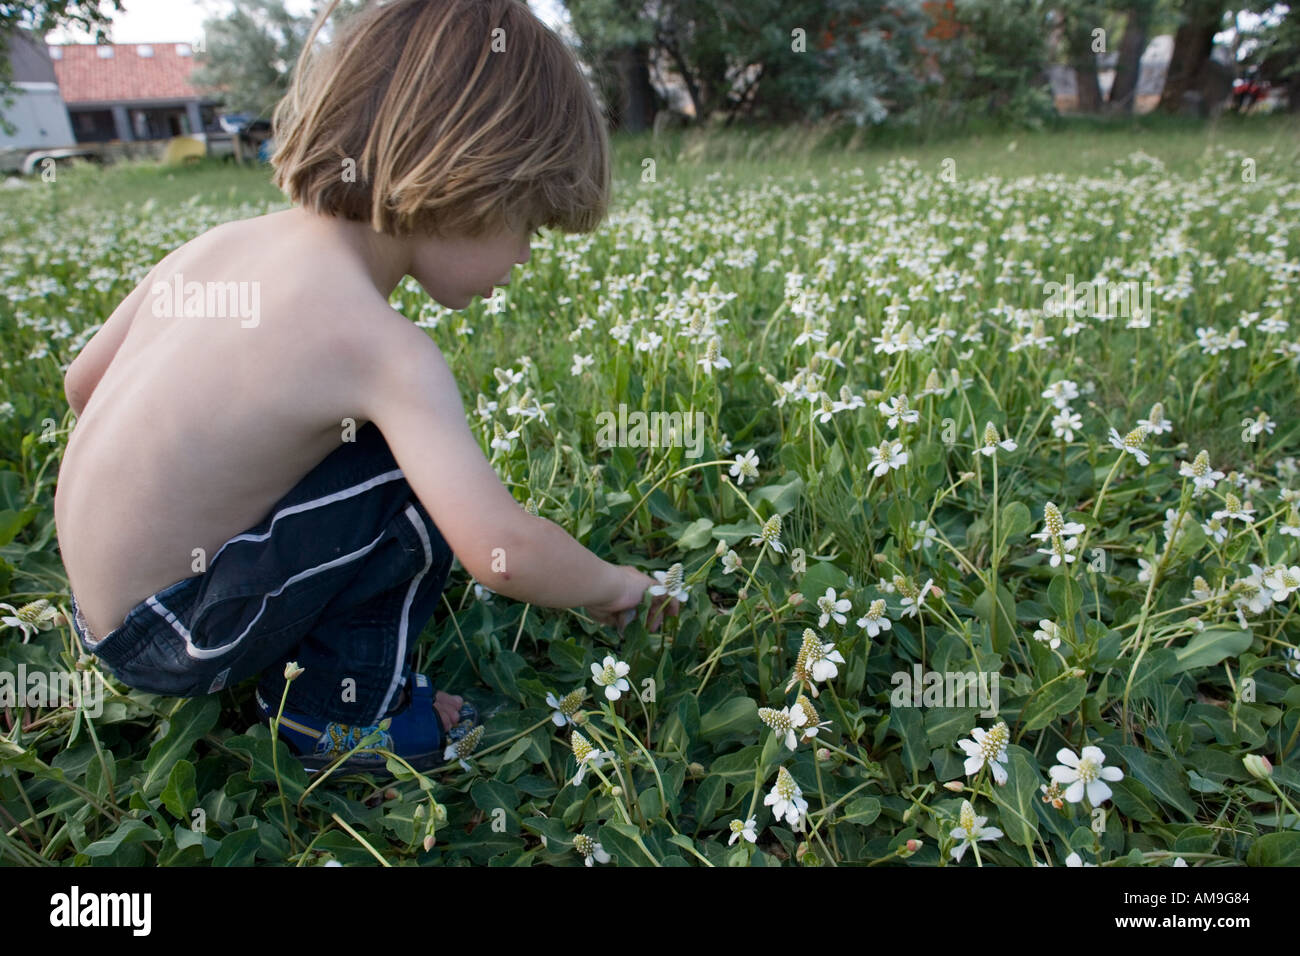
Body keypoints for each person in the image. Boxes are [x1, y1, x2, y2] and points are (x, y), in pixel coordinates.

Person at [53, 0, 679, 775]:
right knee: (398, 477)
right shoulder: (381, 349)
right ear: (469, 182)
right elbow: (501, 554)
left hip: (97, 612)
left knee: (349, 450)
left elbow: (84, 385)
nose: (525, 256)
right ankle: (338, 721)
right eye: (531, 223)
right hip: (178, 637)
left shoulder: (213, 248)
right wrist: (611, 584)